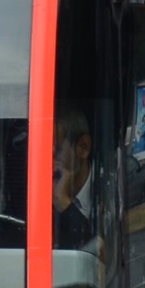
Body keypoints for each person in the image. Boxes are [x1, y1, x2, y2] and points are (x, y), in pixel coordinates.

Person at [52, 104, 98, 248]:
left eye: (56, 151)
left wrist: (65, 204)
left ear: (83, 148)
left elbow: (103, 256)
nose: (49, 163)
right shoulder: (37, 196)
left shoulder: (109, 193)